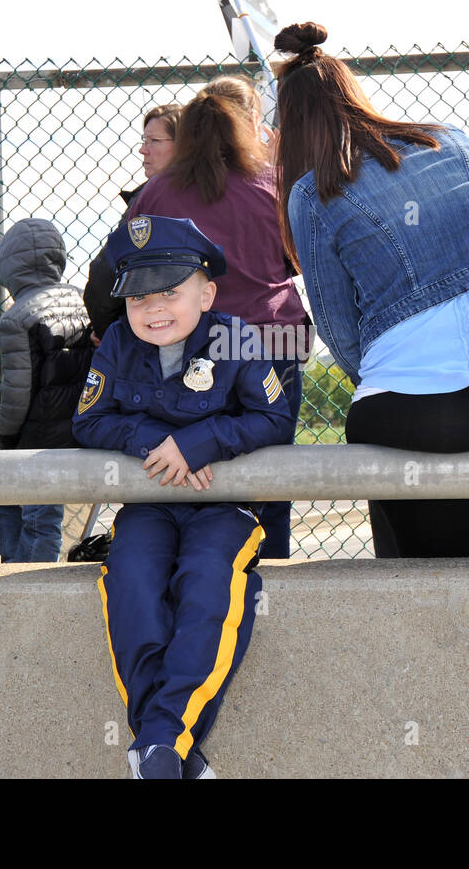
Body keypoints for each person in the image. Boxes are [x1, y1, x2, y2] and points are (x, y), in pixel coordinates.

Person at [272, 22, 469, 558]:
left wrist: (388, 380)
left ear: (291, 125)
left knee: (423, 582)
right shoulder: (454, 141)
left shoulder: (313, 192)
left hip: (415, 412)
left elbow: (338, 327)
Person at [73, 214, 293, 778]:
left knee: (207, 586)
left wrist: (200, 443)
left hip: (224, 507)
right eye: (137, 298)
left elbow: (274, 418)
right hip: (149, 505)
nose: (153, 309)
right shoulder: (118, 342)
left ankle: (158, 742)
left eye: (169, 292)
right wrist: (157, 444)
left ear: (207, 294)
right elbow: (90, 421)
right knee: (132, 584)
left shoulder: (236, 337)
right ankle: (168, 752)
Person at [123, 89, 309, 559]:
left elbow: (121, 266)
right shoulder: (272, 182)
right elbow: (297, 259)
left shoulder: (158, 192)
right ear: (245, 128)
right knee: (270, 472)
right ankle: (268, 566)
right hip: (271, 337)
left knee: (189, 470)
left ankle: (195, 569)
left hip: (191, 346)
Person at [0, 218, 92, 562]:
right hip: (79, 429)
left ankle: (17, 577)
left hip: (35, 439)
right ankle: (30, 576)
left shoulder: (16, 318)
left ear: (6, 267)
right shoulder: (81, 301)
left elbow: (17, 394)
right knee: (44, 516)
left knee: (15, 507)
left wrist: (3, 434)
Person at [84, 104, 183, 340]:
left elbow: (106, 272)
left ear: (183, 145)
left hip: (148, 334)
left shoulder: (149, 201)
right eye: (144, 140)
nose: (142, 150)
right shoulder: (220, 193)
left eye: (154, 141)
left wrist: (108, 330)